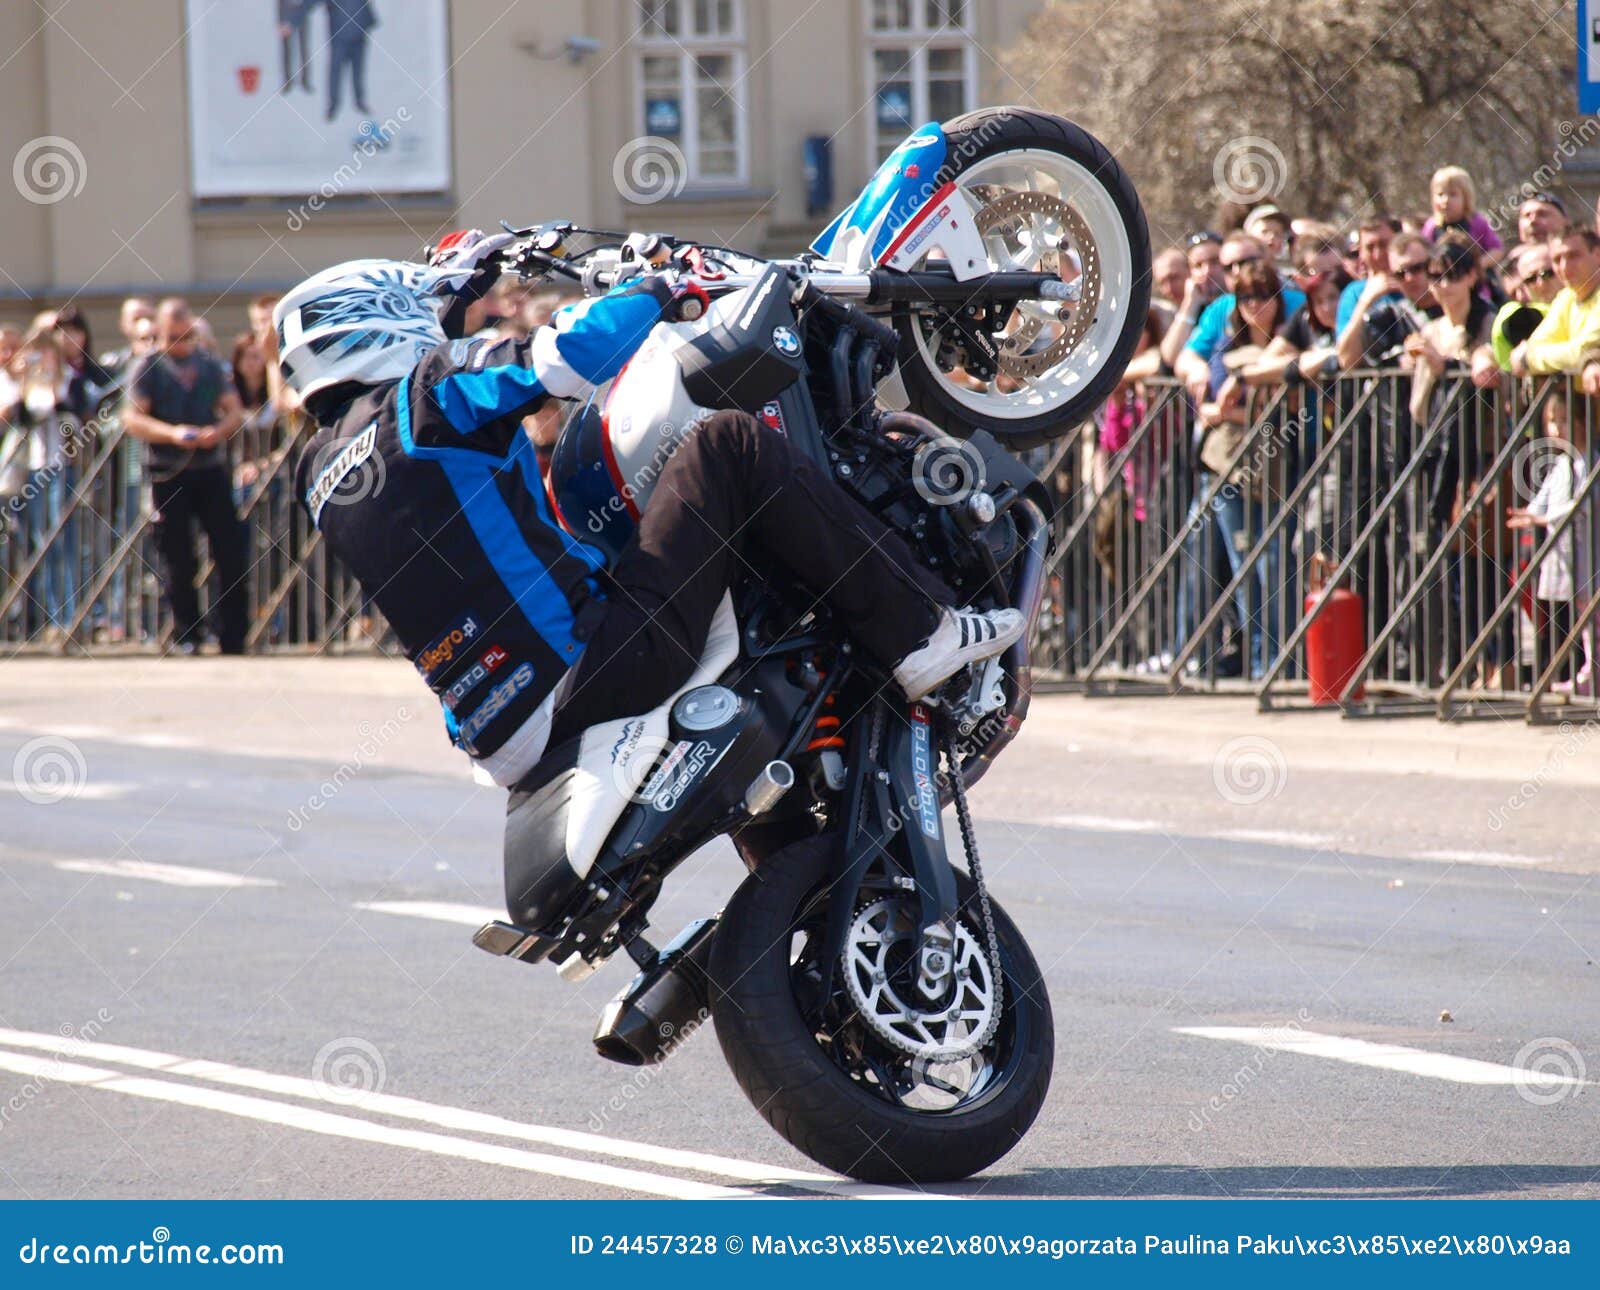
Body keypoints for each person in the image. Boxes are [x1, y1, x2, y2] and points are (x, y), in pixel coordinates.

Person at [276, 235, 1024, 788]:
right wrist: (665, 286)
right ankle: (921, 634)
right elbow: (564, 354)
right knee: (727, 446)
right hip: (591, 671)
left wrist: (465, 278)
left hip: (497, 730)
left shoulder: (323, 473)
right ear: (374, 320)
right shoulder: (425, 401)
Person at [122, 299, 249, 655]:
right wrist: (173, 434)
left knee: (230, 550)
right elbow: (133, 418)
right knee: (178, 557)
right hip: (168, 473)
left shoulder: (208, 365)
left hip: (209, 469)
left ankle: (232, 635)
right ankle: (187, 634)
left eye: (186, 335)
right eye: (173, 336)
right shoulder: (148, 367)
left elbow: (234, 410)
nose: (181, 343)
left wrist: (218, 431)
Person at [1511, 228, 1600, 394]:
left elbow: (1583, 351)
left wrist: (1527, 359)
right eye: (1557, 259)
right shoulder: (1566, 298)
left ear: (1597, 254)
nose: (1565, 266)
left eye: (1573, 256)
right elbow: (1536, 344)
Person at [1422, 165, 1504, 265]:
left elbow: (1496, 250)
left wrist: (1479, 266)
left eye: (1453, 194)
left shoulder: (1477, 223)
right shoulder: (1432, 227)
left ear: (1466, 198)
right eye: (1440, 194)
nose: (1445, 200)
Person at [322, 0, 376, 121]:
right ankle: (333, 105)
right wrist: (292, 21)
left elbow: (365, 5)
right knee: (336, 72)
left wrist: (370, 20)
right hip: (339, 36)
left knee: (358, 71)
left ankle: (359, 102)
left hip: (358, 36)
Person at [277, 0, 313, 95]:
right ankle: (288, 81)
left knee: (304, 47)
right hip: (286, 11)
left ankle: (305, 80)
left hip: (301, 9)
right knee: (287, 48)